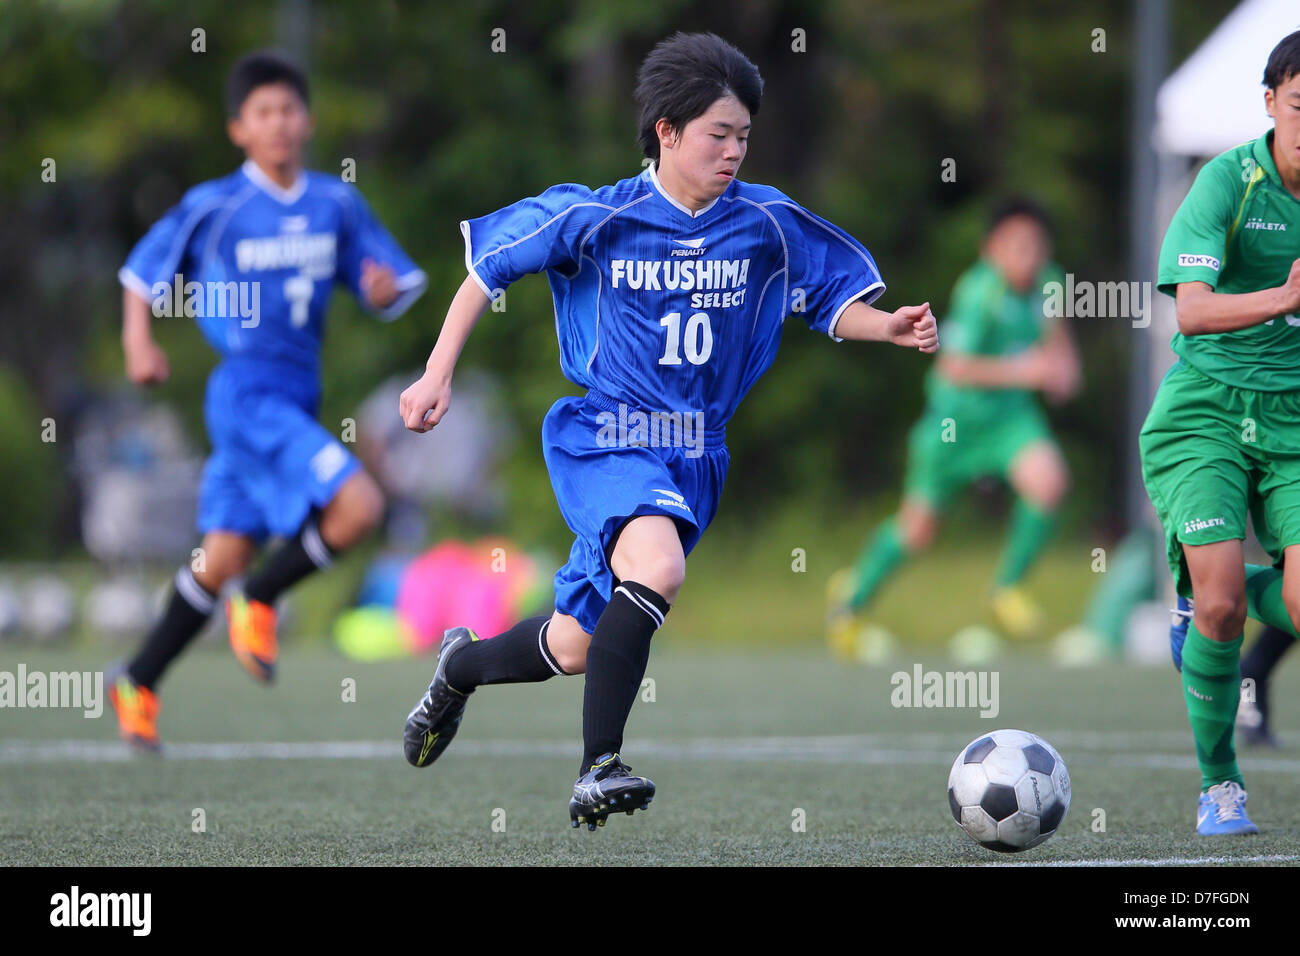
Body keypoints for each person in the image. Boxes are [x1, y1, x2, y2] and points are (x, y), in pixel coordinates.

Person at [397, 32, 938, 830]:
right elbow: (488, 270)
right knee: (657, 565)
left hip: (698, 454)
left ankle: (460, 667)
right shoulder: (598, 213)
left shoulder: (765, 222)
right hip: (605, 433)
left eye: (744, 137)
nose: (734, 151)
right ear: (667, 131)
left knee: (575, 645)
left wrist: (884, 327)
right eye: (718, 134)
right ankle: (598, 767)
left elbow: (824, 300)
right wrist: (437, 371)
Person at [109, 50, 426, 751]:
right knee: (360, 506)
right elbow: (141, 273)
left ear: (306, 120)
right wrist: (140, 345)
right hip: (245, 394)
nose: (279, 124)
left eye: (289, 110)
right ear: (238, 129)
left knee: (219, 557)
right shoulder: (217, 206)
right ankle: (261, 598)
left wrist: (384, 291)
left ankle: (137, 678)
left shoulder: (334, 203)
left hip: (294, 397)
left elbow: (392, 277)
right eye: (264, 113)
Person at [1144, 30, 1300, 834]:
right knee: (1221, 608)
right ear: (1271, 101)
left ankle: (1212, 592)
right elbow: (1194, 312)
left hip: (1295, 423)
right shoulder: (1228, 182)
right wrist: (1285, 295)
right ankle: (1220, 786)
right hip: (1205, 408)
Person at [828, 198, 1079, 655]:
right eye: (1017, 245)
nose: (1029, 255)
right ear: (992, 250)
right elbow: (953, 369)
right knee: (917, 531)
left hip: (1010, 421)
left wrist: (1064, 371)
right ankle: (850, 604)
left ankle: (1007, 588)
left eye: (1036, 245)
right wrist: (1027, 372)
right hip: (953, 426)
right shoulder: (980, 291)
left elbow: (1056, 344)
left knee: (1049, 482)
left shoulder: (1050, 284)